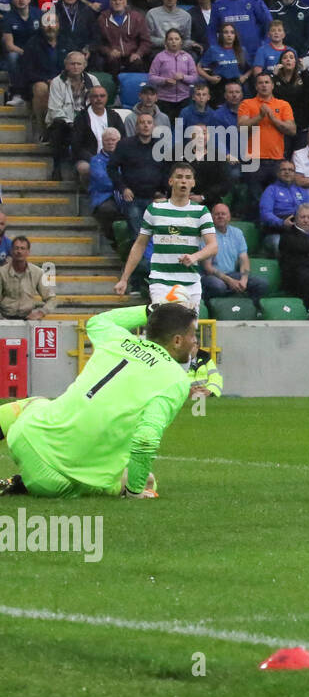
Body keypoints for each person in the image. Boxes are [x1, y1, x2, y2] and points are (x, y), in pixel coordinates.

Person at [0, 300, 197, 498]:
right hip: (56, 482)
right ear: (177, 340)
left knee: (35, 403)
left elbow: (97, 322)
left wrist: (147, 310)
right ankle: (25, 483)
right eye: (193, 334)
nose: (195, 341)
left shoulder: (116, 340)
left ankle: (23, 479)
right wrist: (134, 492)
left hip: (25, 438)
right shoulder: (175, 379)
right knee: (148, 481)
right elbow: (145, 439)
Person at [113, 163, 216, 310]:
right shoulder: (154, 209)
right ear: (170, 181)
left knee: (188, 331)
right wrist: (124, 279)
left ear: (193, 183)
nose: (183, 181)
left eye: (188, 178)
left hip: (190, 282)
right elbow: (140, 245)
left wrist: (195, 257)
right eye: (179, 177)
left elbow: (213, 246)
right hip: (161, 281)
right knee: (165, 328)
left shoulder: (201, 211)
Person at [0, 237, 57, 320]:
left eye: (23, 248)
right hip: (4, 318)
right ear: (11, 251)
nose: (19, 251)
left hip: (28, 318)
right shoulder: (1, 272)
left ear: (28, 252)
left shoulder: (37, 272)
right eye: (16, 248)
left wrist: (41, 312)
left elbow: (52, 299)